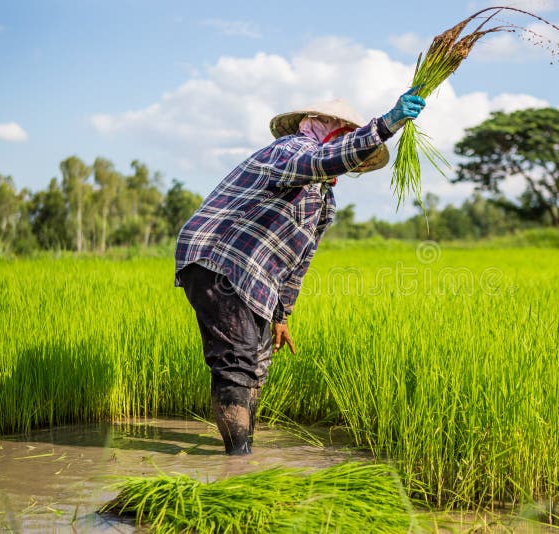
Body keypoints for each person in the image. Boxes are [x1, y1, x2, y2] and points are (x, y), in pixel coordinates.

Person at [174, 88, 426, 455]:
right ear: (318, 124)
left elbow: (298, 262)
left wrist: (281, 316)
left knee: (259, 365)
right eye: (343, 136)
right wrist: (388, 122)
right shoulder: (291, 150)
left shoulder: (324, 200)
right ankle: (237, 463)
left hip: (256, 277)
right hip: (219, 257)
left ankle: (244, 450)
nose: (350, 153)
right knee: (238, 360)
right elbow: (321, 161)